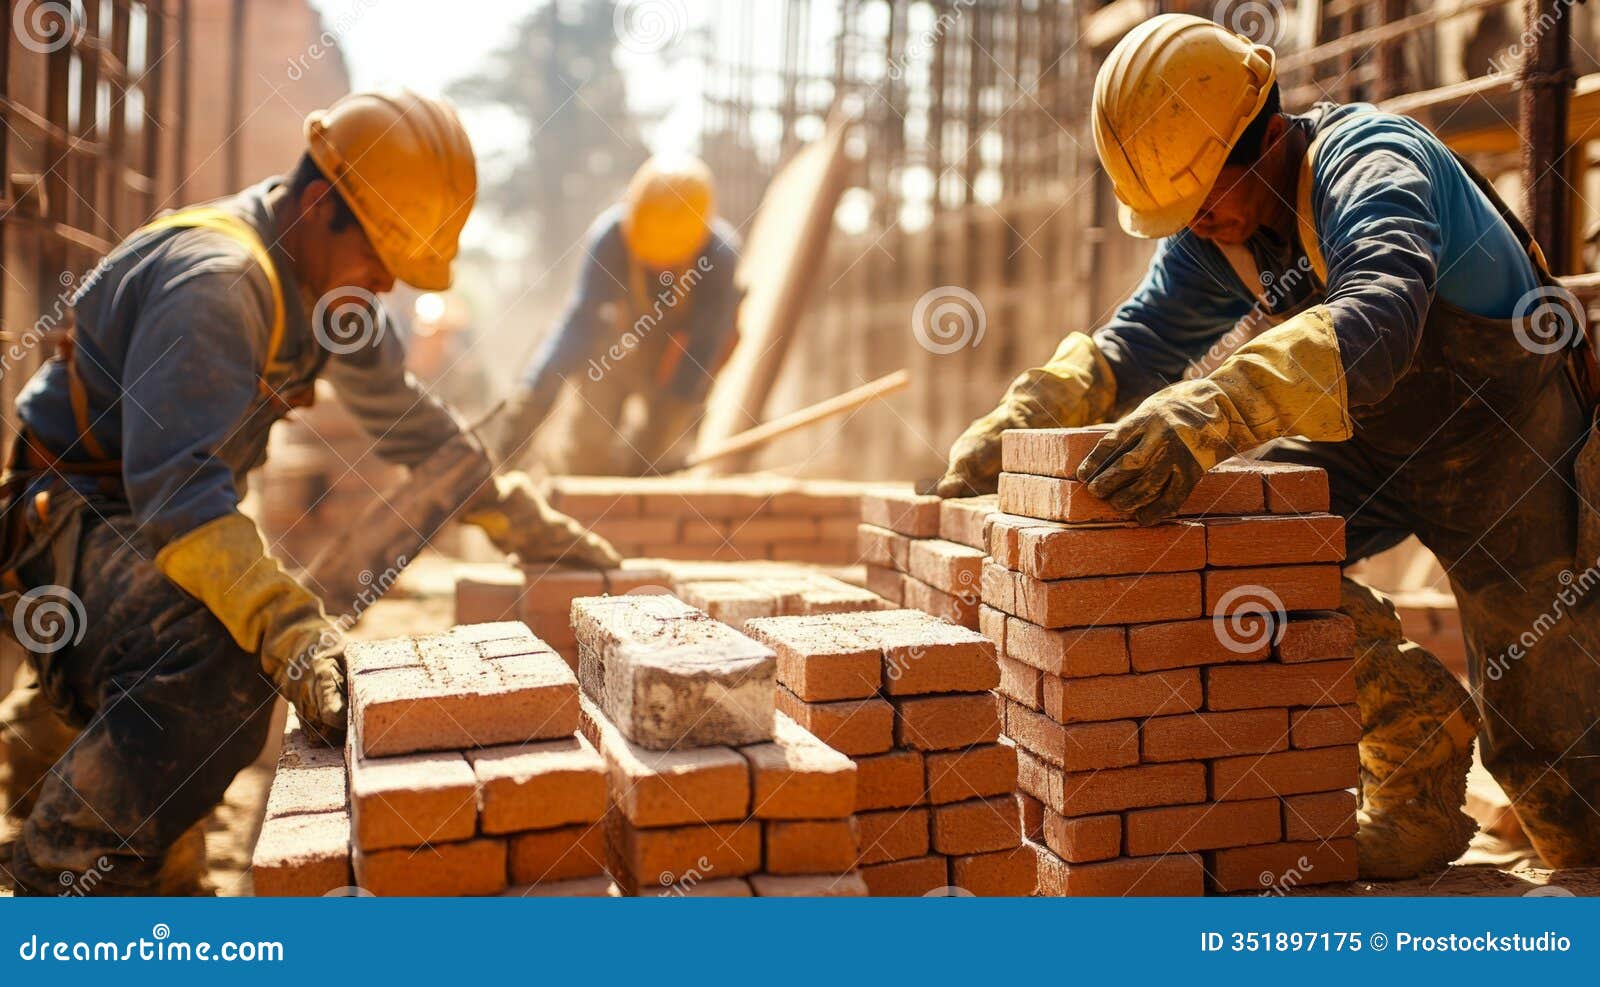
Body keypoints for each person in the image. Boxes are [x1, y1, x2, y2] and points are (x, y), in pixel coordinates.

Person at [934, 13, 1600, 877]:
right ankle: (1417, 750)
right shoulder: (1219, 230)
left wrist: (1213, 410)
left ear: (1269, 134)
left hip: (1504, 449)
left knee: (1561, 777)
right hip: (1363, 442)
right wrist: (1022, 416)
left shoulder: (1373, 163)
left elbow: (1380, 315)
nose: (1199, 223)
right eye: (1181, 211)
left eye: (1207, 198)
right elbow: (1140, 340)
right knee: (1224, 551)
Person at [0, 89, 618, 895]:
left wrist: (513, 514)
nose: (386, 279)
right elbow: (179, 502)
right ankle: (63, 870)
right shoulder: (218, 284)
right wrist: (291, 630)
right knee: (225, 654)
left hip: (137, 524)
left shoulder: (330, 288)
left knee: (200, 644)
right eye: (380, 254)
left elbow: (406, 423)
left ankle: (54, 744)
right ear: (322, 204)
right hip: (64, 521)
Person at [491, 155, 742, 475]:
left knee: (659, 461)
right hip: (616, 355)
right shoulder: (612, 238)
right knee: (586, 453)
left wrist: (655, 439)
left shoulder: (718, 257)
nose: (657, 266)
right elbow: (578, 326)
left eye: (667, 260)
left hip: (677, 365)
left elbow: (702, 350)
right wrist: (533, 399)